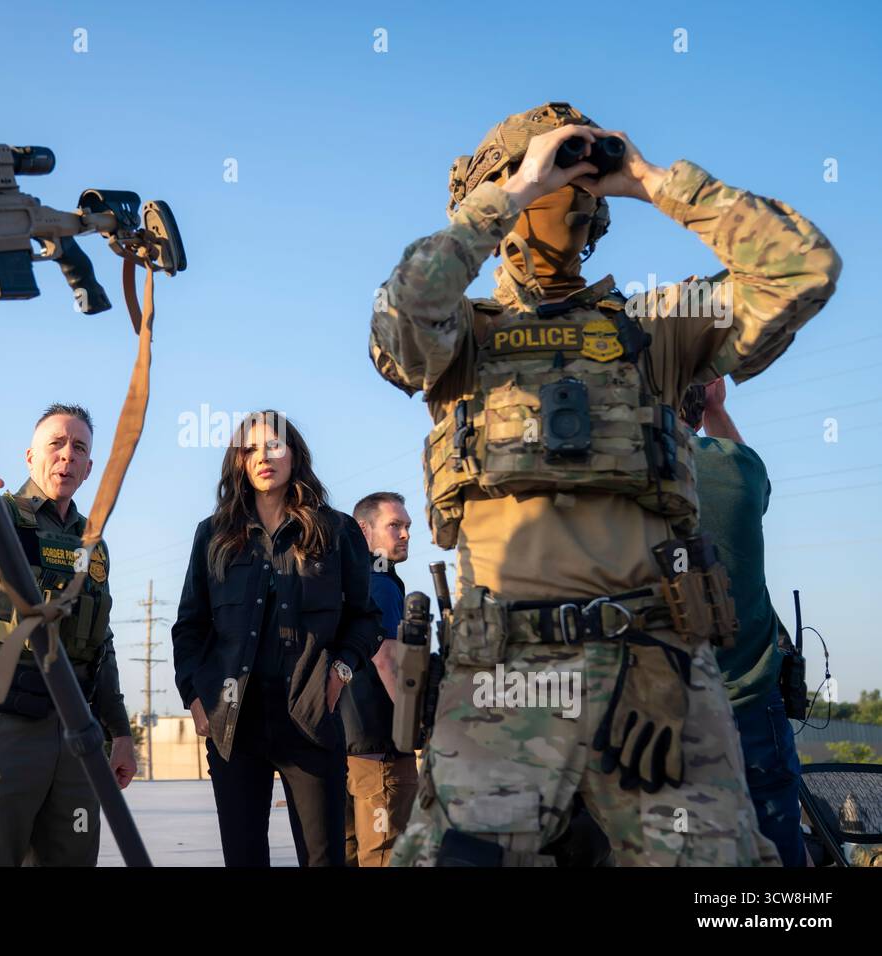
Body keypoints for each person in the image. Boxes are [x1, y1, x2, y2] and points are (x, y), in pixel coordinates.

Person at [369, 102, 840, 866]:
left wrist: (654, 182)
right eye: (553, 172)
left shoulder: (659, 325)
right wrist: (513, 192)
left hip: (655, 675)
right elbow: (406, 308)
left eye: (582, 178)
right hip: (503, 681)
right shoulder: (461, 336)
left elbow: (804, 268)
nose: (570, 193)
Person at [0, 403, 136, 867]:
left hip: (77, 736)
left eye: (79, 448)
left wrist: (120, 732)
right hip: (1, 726)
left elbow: (99, 643)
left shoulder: (91, 542)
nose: (67, 455)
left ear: (89, 467)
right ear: (30, 455)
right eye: (56, 444)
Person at [171, 410, 381, 866]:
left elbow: (367, 618)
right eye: (250, 449)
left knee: (324, 858)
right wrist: (194, 696)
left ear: (295, 453)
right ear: (238, 462)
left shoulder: (337, 530)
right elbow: (190, 626)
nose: (263, 457)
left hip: (310, 716)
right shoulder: (212, 535)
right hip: (233, 722)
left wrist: (340, 672)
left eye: (274, 445)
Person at [683, 377, 807, 866]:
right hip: (749, 707)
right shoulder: (739, 469)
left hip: (651, 713)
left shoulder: (621, 477)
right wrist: (716, 408)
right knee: (775, 848)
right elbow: (743, 462)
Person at [342, 491, 416, 866]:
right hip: (382, 750)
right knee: (387, 855)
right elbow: (387, 660)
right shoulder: (382, 581)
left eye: (407, 527)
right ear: (363, 530)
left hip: (341, 747)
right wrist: (415, 727)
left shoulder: (338, 578)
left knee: (348, 854)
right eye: (394, 526)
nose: (404, 535)